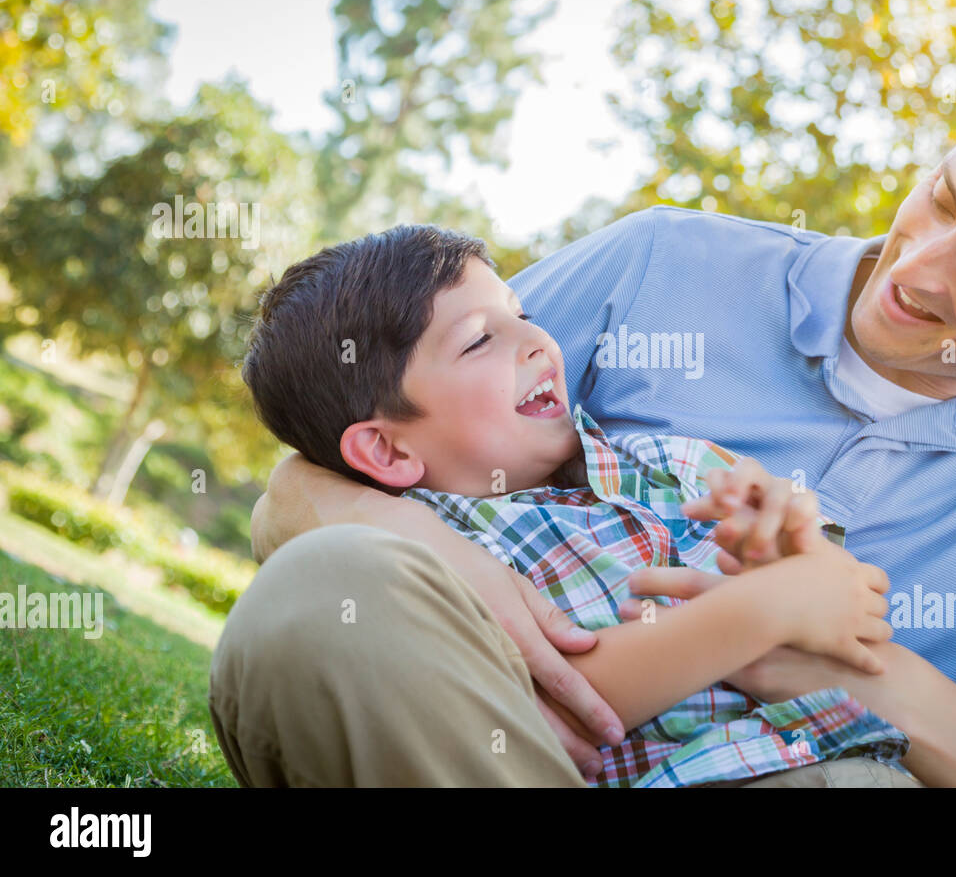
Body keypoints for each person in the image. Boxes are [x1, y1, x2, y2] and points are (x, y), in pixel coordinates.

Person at [228, 66, 956, 786]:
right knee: (325, 587)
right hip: (498, 746)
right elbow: (335, 455)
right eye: (942, 197)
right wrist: (448, 562)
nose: (917, 265)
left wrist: (852, 672)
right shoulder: (664, 262)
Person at [214, 224, 908, 787]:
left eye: (522, 315)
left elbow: (847, 601)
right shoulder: (437, 562)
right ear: (389, 453)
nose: (539, 344)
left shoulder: (669, 467)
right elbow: (569, 702)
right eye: (481, 340)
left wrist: (787, 551)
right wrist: (765, 610)